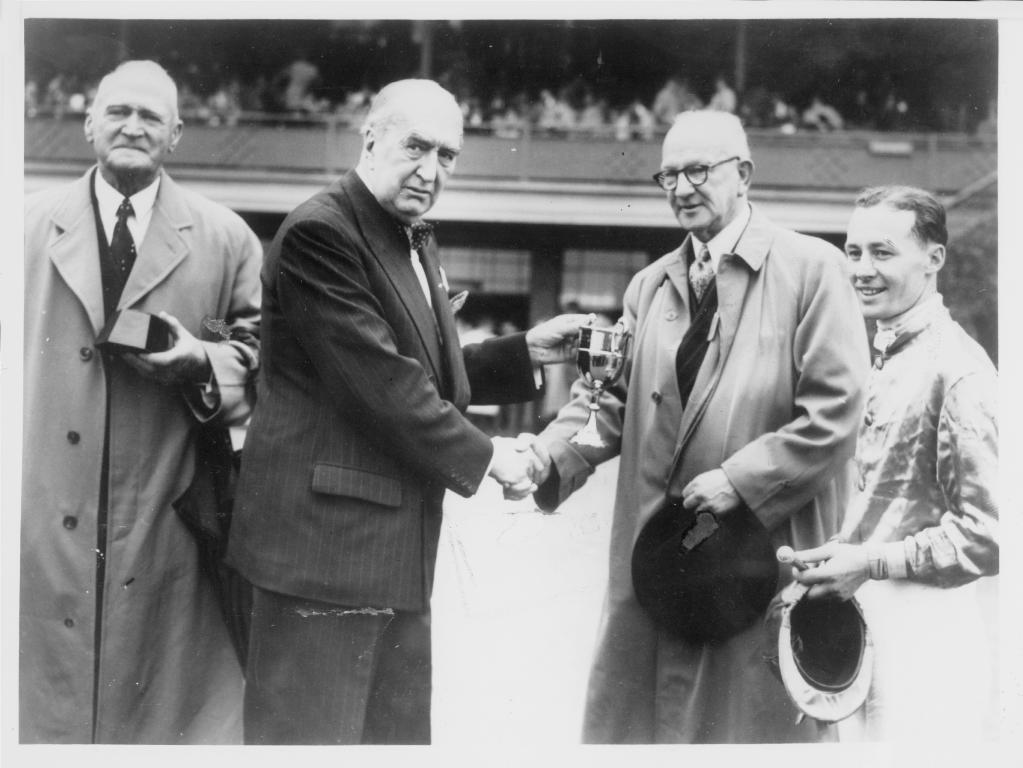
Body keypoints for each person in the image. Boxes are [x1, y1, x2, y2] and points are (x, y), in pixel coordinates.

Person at [225, 79, 586, 745]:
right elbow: (381, 386)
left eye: (446, 155)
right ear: (369, 138)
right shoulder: (320, 232)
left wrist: (520, 352)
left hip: (389, 557)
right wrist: (491, 456)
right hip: (323, 564)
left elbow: (408, 368)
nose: (430, 170)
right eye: (415, 146)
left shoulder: (406, 234)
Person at [525, 110, 869, 743]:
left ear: (744, 175)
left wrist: (741, 480)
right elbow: (608, 404)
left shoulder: (812, 270)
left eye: (698, 171)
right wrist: (546, 458)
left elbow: (836, 412)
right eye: (669, 175)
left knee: (743, 726)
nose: (682, 188)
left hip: (757, 557)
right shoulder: (648, 287)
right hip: (659, 559)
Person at [21, 60, 262, 743]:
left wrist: (201, 360)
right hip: (38, 513)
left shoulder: (227, 238)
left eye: (151, 116)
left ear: (177, 133)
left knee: (159, 711)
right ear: (89, 121)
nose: (132, 126)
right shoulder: (22, 226)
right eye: (118, 111)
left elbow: (259, 355)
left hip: (165, 514)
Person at [787, 186, 998, 741]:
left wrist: (872, 562)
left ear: (934, 259)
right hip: (863, 634)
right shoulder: (878, 355)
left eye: (882, 253)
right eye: (853, 252)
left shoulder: (959, 370)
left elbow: (994, 535)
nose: (862, 269)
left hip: (928, 644)